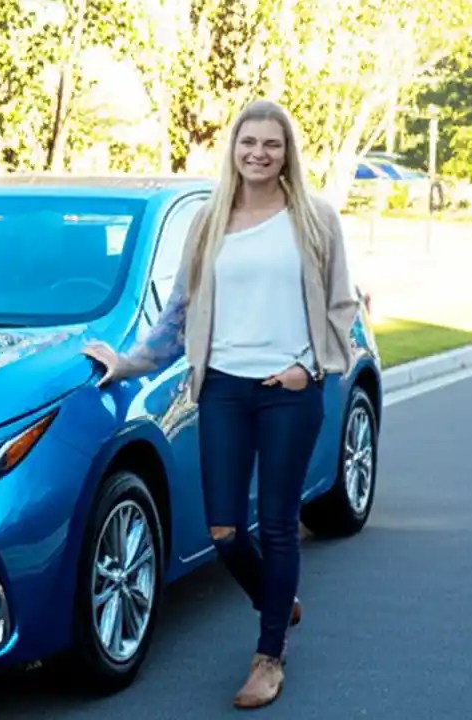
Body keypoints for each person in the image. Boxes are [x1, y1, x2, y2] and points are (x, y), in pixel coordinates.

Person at [82, 99, 358, 709]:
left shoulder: (314, 219)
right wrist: (129, 362)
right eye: (248, 142)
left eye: (272, 144)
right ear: (233, 148)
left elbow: (343, 305)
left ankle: (268, 658)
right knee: (225, 529)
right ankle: (276, 599)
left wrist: (309, 367)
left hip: (289, 391)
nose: (259, 153)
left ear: (288, 153)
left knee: (281, 521)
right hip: (225, 389)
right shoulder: (209, 221)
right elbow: (179, 313)